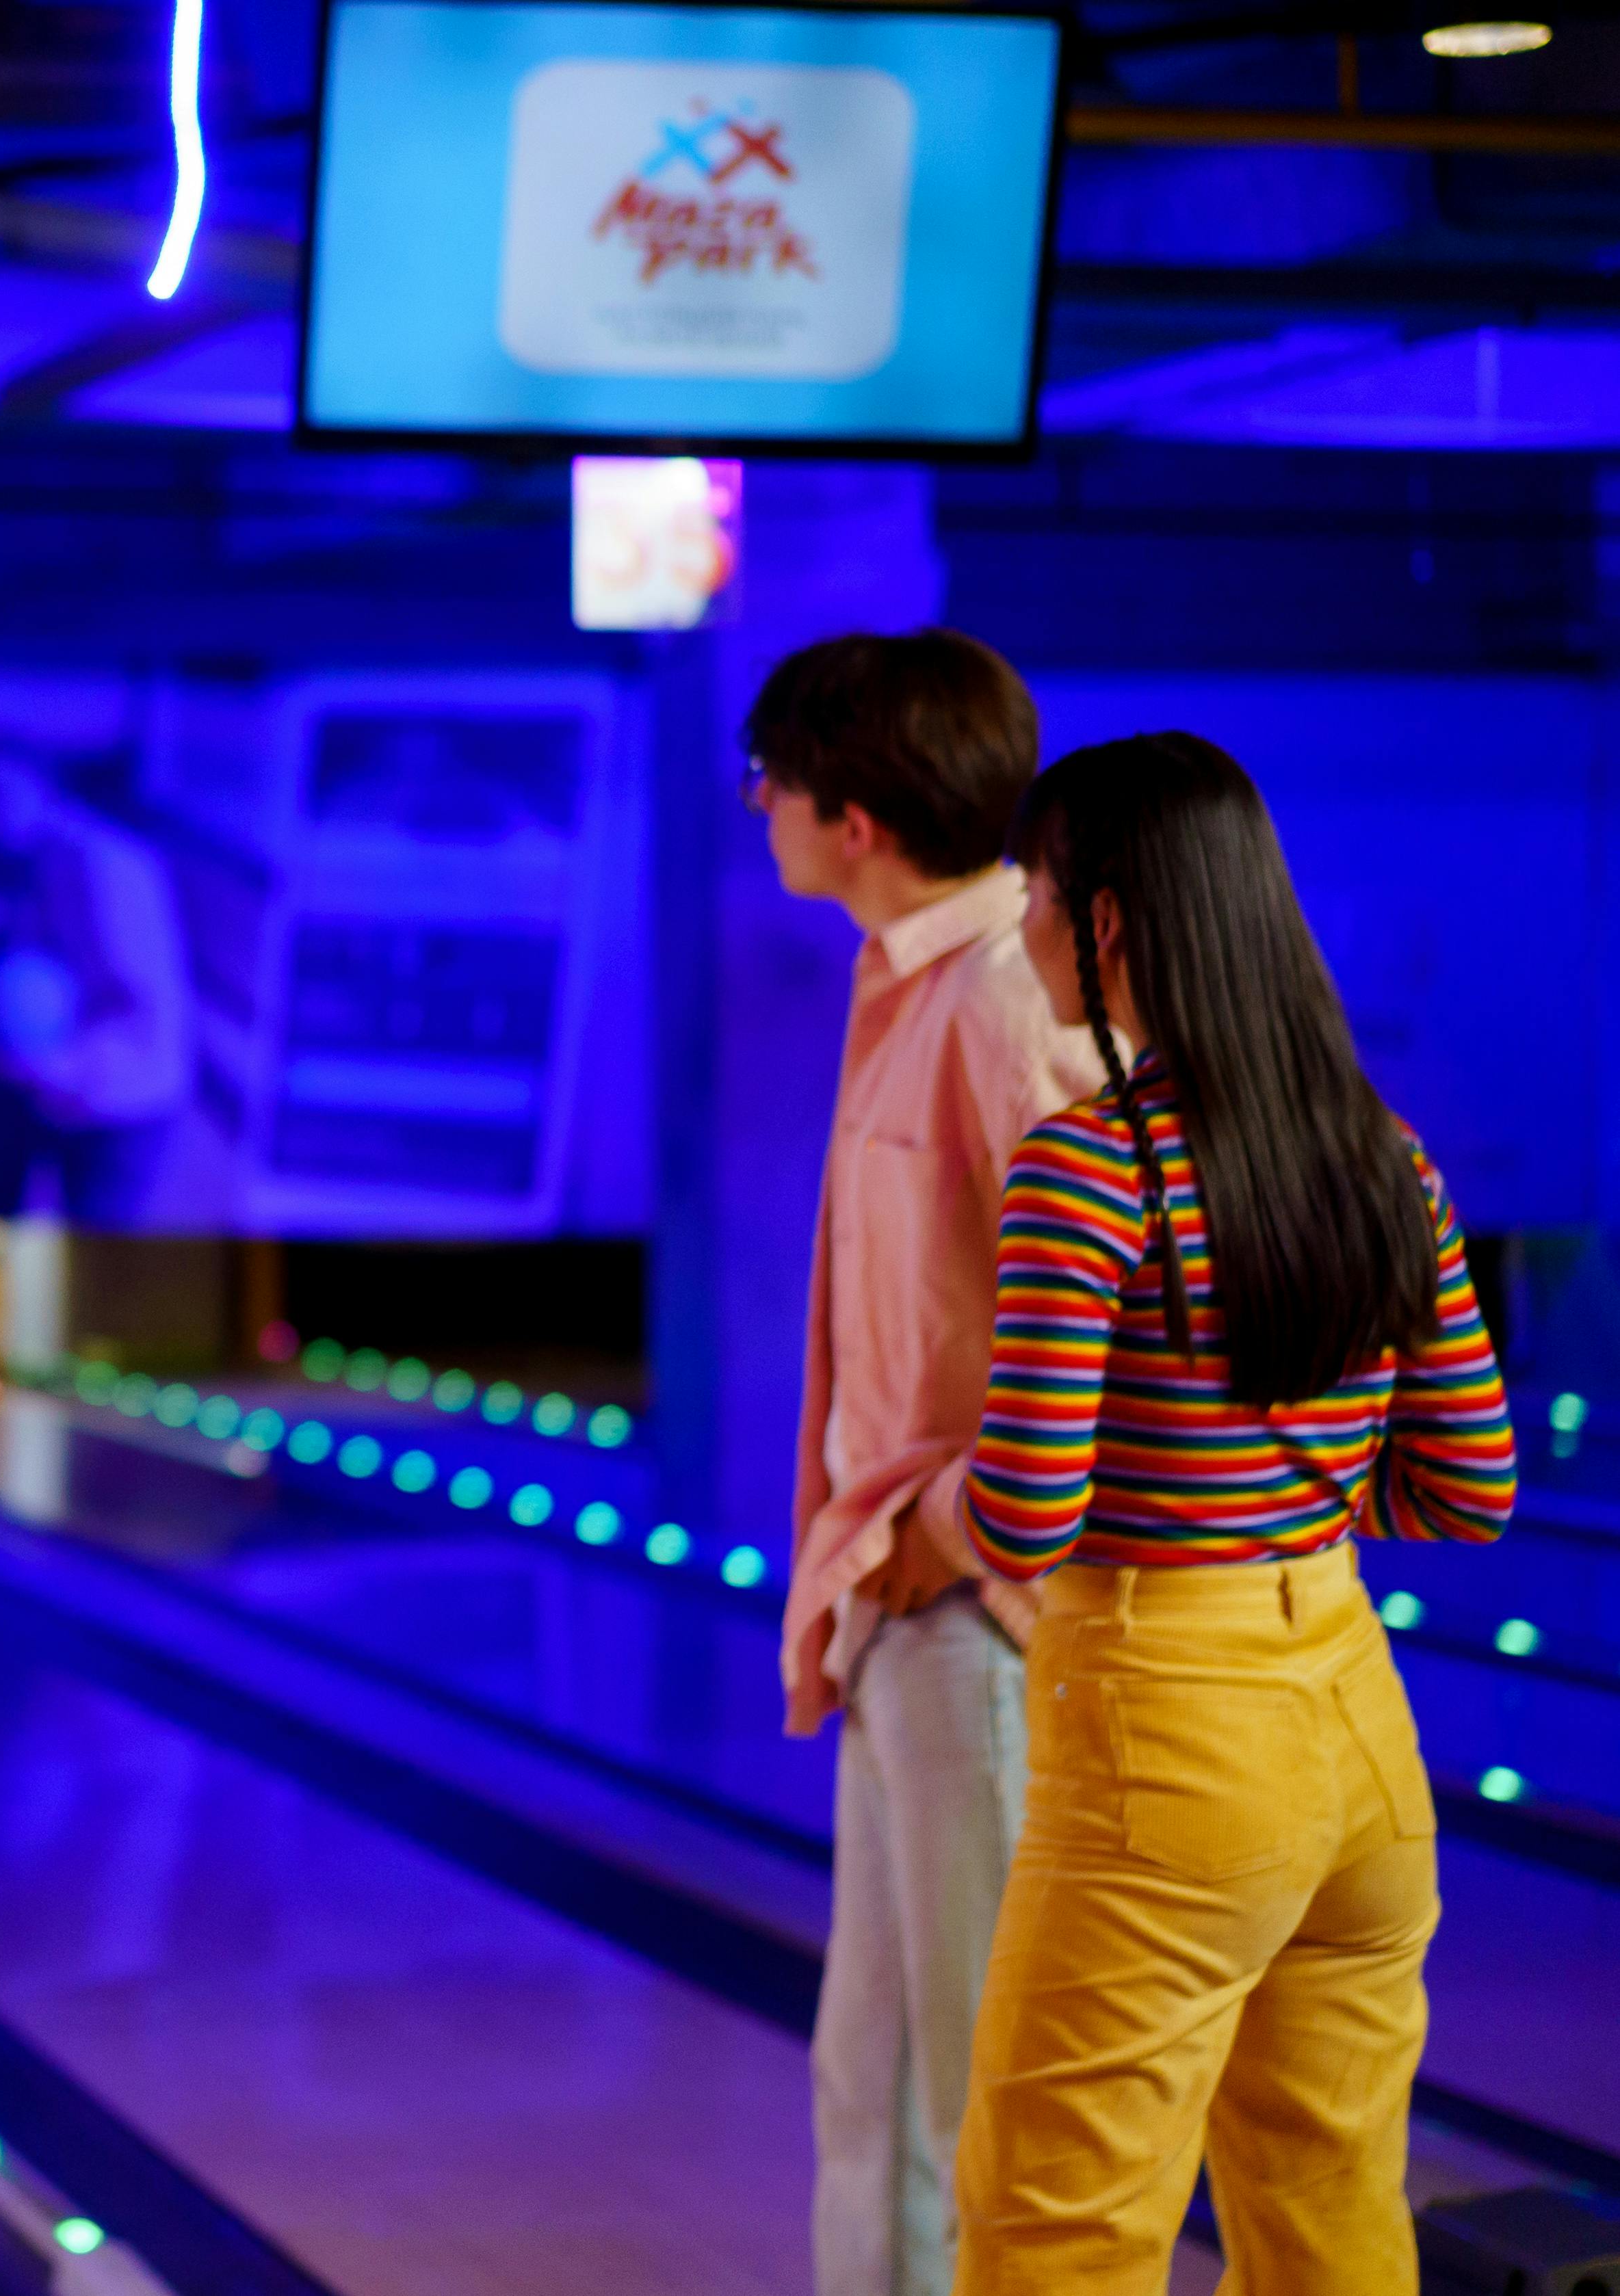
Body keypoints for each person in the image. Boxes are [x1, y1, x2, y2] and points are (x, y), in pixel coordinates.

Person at [955, 733, 1515, 2293]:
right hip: (1356, 1738)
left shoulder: (1087, 1170)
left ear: (1111, 919)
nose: (1021, 927)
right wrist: (1290, 1505)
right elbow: (1470, 1486)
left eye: (1037, 891)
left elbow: (1022, 1509)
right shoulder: (1380, 1154)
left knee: (1050, 2235)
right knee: (1332, 2222)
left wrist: (929, 1489)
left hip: (1168, 1753)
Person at [746, 629, 1106, 2296]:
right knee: (868, 2085)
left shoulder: (996, 1000)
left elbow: (1114, 1316)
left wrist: (944, 1531)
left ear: (855, 814)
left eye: (770, 780)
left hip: (977, 1617)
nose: (760, 807)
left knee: (978, 2099)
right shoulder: (901, 979)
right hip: (893, 1607)